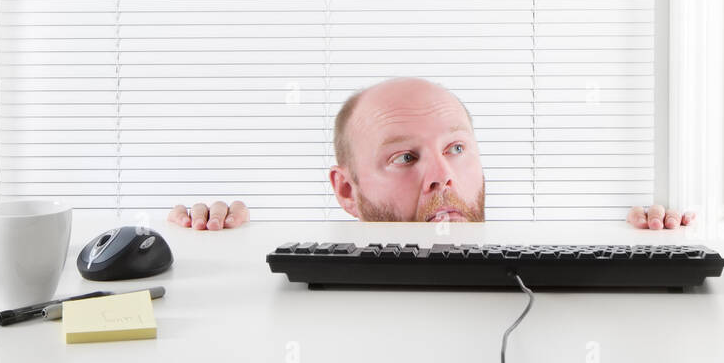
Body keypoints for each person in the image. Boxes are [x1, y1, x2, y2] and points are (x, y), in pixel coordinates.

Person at [168, 77, 696, 231]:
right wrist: (212, 246)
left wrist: (658, 245)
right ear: (346, 191)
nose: (442, 176)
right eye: (405, 158)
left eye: (456, 149)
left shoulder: (541, 278)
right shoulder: (308, 291)